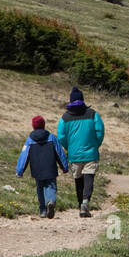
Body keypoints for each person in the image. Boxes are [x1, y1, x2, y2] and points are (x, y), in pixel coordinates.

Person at [57, 86, 105, 218]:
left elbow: (61, 137)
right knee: (89, 177)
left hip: (74, 154)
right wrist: (96, 144)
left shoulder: (65, 118)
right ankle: (85, 202)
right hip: (90, 153)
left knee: (78, 179)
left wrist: (69, 147)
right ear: (82, 100)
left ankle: (80, 205)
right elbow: (100, 132)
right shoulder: (92, 114)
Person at [16, 115, 68, 219]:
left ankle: (43, 210)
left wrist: (20, 170)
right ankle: (51, 201)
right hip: (50, 168)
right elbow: (59, 152)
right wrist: (64, 166)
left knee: (40, 189)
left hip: (37, 169)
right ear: (44, 125)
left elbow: (24, 155)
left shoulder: (30, 140)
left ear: (33, 126)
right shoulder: (51, 137)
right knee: (51, 186)